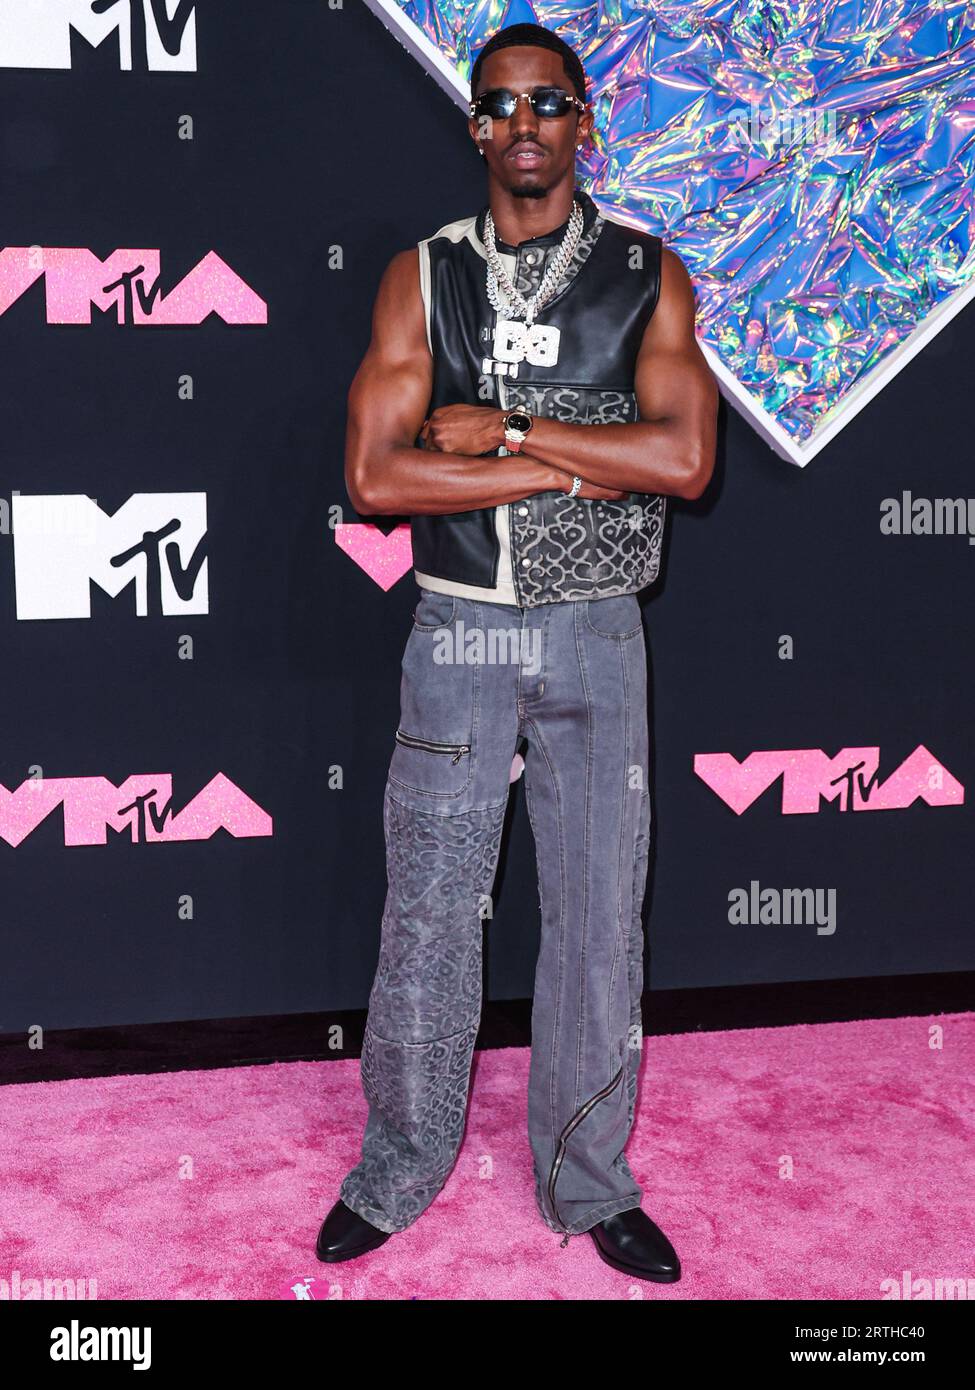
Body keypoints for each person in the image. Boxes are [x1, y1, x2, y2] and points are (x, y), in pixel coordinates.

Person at [317, 20, 717, 1282]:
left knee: (601, 921)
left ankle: (590, 1182)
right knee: (431, 914)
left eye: (550, 103)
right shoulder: (418, 276)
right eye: (502, 105)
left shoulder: (652, 273)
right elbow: (377, 478)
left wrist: (513, 432)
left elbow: (688, 462)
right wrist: (583, 457)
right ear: (477, 126)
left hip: (602, 637)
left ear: (584, 120)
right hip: (462, 634)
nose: (526, 125)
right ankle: (396, 1174)